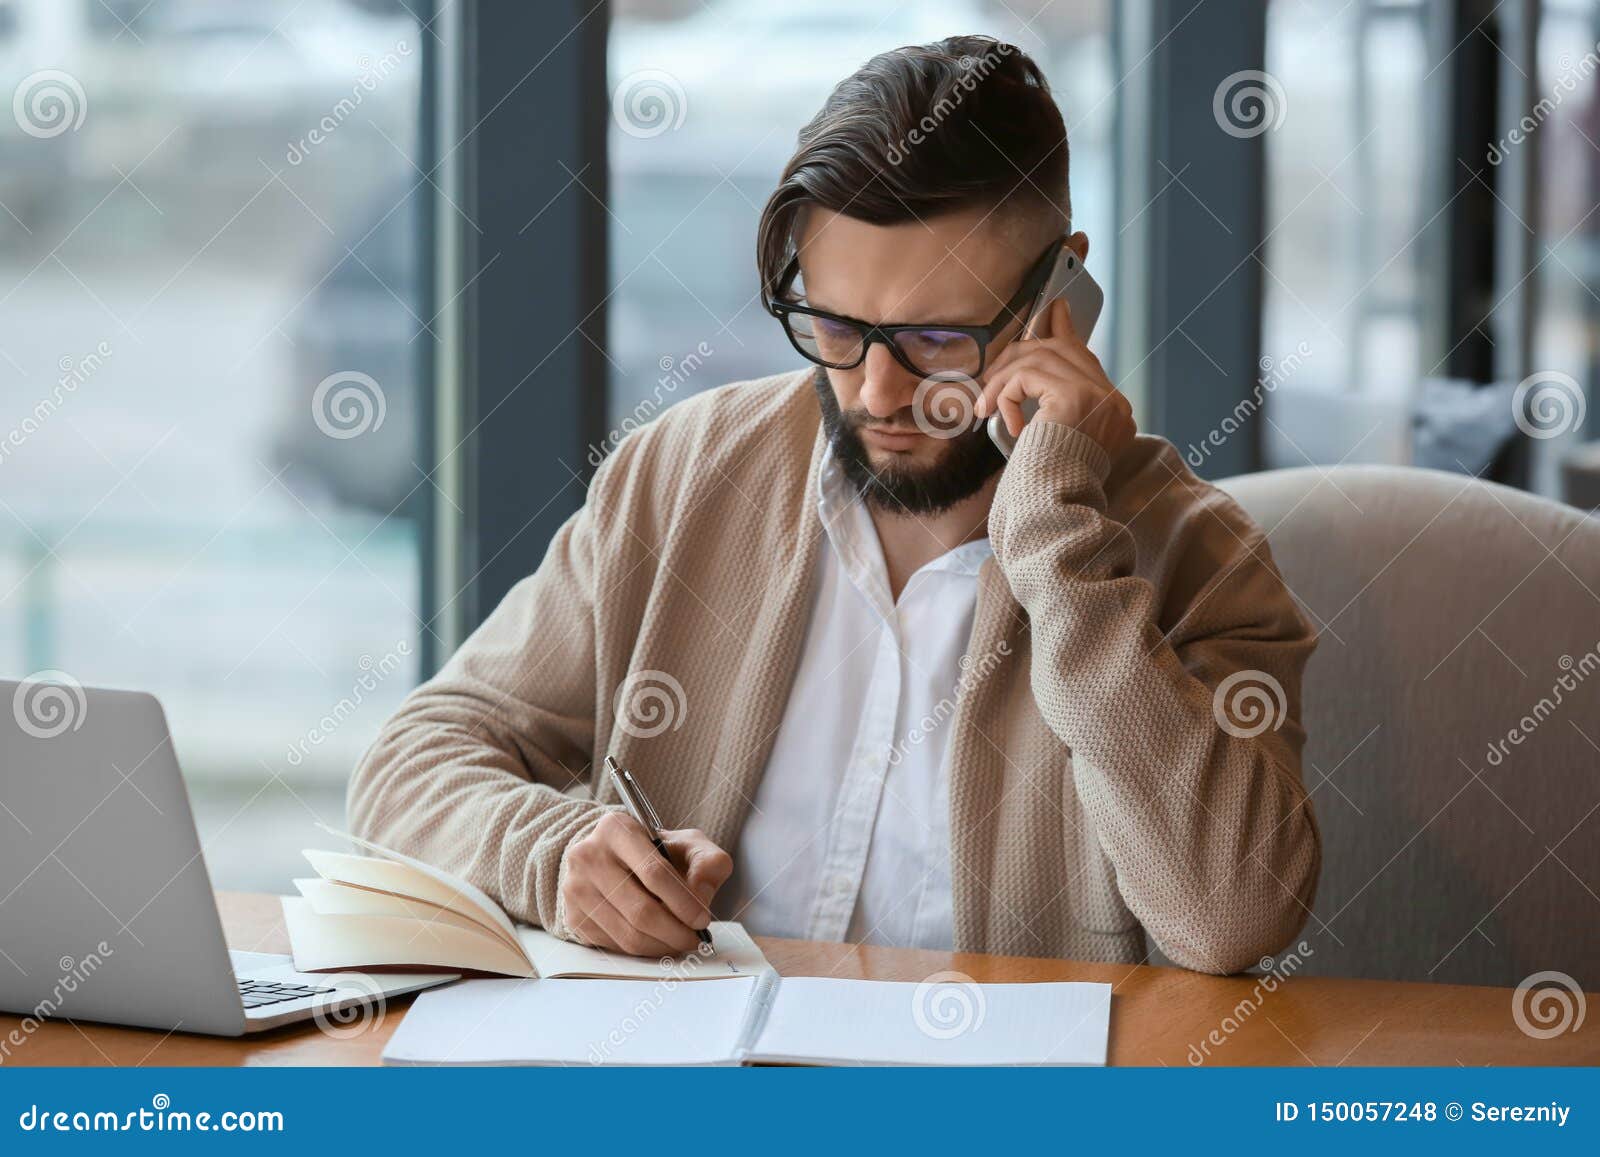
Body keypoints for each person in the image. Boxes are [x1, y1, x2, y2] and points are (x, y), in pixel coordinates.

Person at [349, 35, 1319, 975]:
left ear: (1061, 290)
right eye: (833, 324)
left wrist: (1060, 544)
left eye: (937, 337)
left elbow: (1231, 914)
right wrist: (555, 854)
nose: (877, 394)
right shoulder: (681, 474)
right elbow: (406, 768)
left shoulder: (1196, 554)